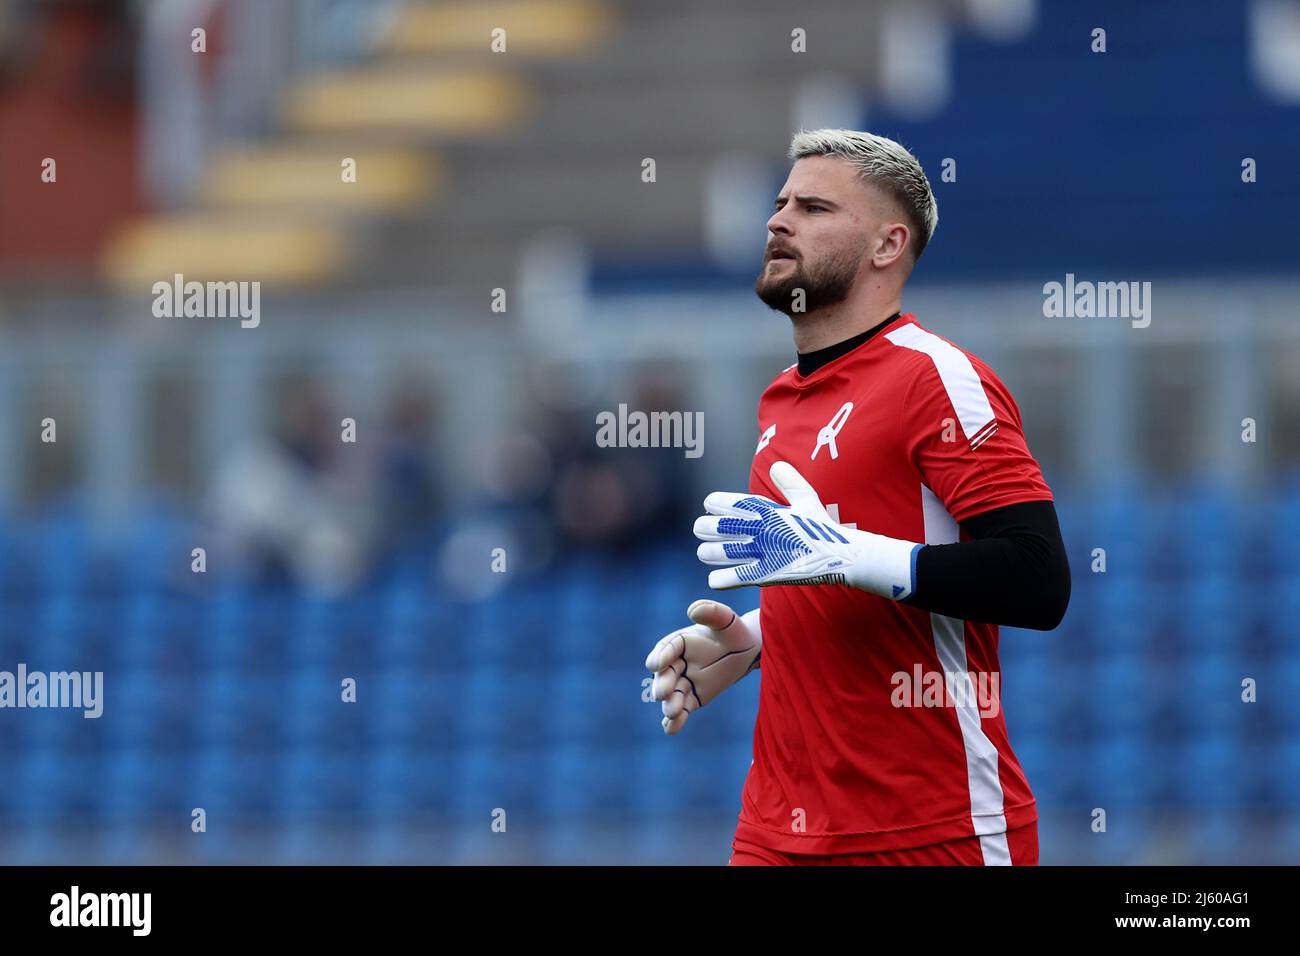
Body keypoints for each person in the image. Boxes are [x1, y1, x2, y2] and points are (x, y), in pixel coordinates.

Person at [645, 129, 1070, 866]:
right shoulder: (782, 398)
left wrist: (849, 555)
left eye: (812, 207)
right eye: (779, 204)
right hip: (777, 831)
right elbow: (839, 568)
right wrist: (756, 639)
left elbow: (1039, 580)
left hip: (932, 832)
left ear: (886, 246)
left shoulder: (935, 377)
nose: (778, 221)